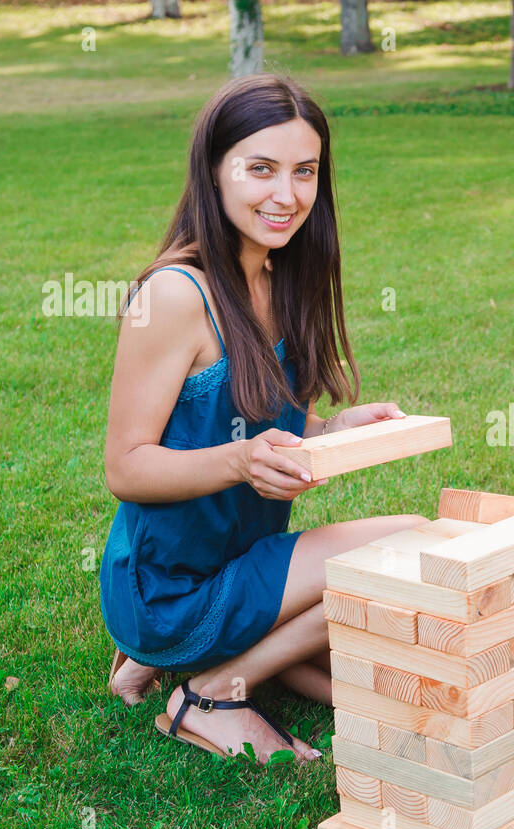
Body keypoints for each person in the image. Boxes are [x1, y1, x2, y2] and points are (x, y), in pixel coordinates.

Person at [100, 74, 426, 762]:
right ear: (214, 171)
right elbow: (125, 467)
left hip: (243, 563)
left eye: (304, 171)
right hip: (169, 588)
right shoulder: (174, 295)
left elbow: (256, 424)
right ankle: (211, 690)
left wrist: (332, 432)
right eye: (261, 169)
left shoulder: (283, 278)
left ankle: (197, 659)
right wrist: (242, 463)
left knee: (365, 682)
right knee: (408, 540)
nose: (287, 195)